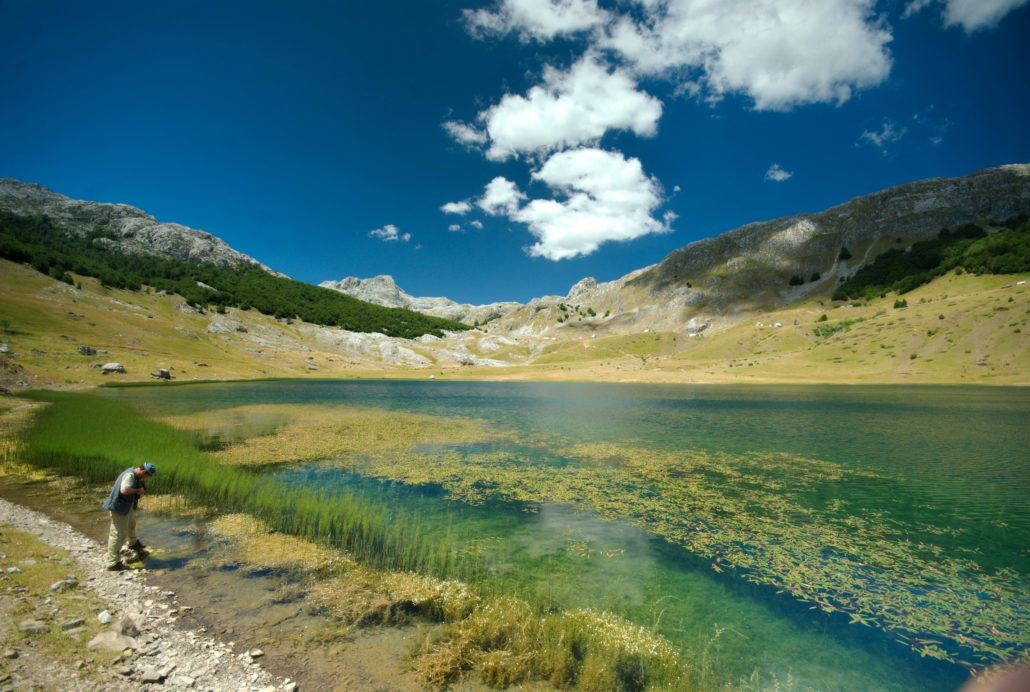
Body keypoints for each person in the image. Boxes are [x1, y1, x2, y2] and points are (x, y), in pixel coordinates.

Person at [102, 462, 156, 571]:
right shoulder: (130, 475)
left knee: (131, 523)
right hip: (118, 508)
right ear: (144, 472)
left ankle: (133, 543)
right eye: (147, 475)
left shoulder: (135, 476)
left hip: (126, 506)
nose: (147, 478)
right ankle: (112, 563)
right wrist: (137, 490)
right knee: (118, 534)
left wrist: (139, 488)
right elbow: (124, 490)